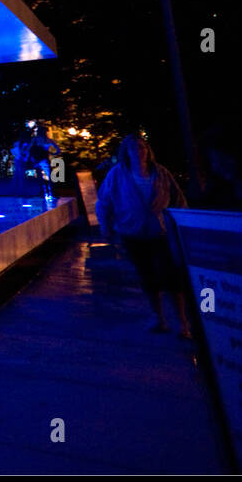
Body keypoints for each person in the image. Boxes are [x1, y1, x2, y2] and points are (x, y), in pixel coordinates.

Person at [97, 136, 192, 338]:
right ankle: (158, 318)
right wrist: (105, 225)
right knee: (147, 276)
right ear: (126, 152)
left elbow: (178, 199)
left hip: (162, 233)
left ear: (148, 150)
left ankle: (182, 323)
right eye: (133, 148)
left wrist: (183, 225)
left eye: (142, 147)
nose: (139, 151)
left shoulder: (161, 173)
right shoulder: (117, 175)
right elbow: (104, 201)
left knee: (172, 278)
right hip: (133, 234)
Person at [28, 125, 61, 201]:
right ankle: (52, 193)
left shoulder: (35, 139)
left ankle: (42, 193)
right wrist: (51, 153)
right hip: (45, 159)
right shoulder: (48, 140)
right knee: (50, 176)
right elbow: (58, 150)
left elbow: (29, 149)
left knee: (40, 177)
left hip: (36, 161)